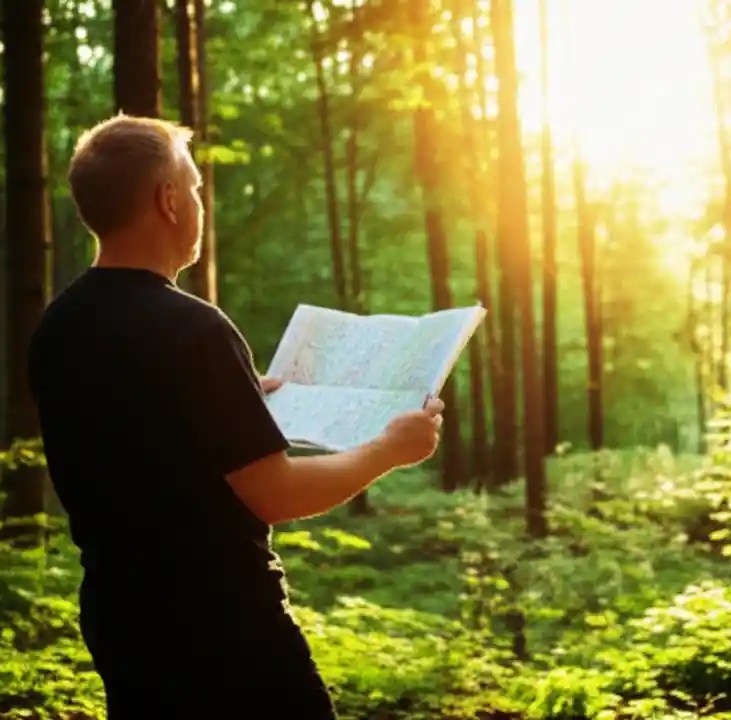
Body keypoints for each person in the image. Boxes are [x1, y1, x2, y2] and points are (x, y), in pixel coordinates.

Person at [27, 114, 444, 718]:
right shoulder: (193, 330)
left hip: (120, 618)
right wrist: (388, 449)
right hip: (222, 623)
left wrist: (238, 397)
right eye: (194, 186)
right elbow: (274, 493)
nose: (199, 201)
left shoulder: (56, 329)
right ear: (168, 201)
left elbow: (143, 441)